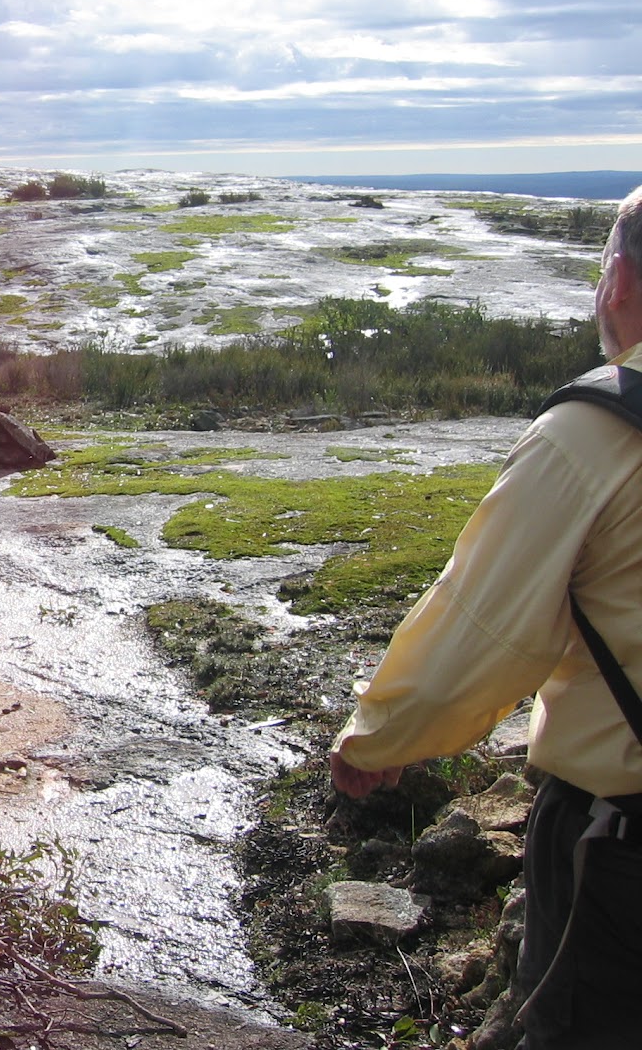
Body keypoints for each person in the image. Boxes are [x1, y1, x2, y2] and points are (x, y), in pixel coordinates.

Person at [330, 184, 642, 1048]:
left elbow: (484, 627)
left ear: (616, 282)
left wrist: (378, 735)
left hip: (620, 843)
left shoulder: (596, 431)